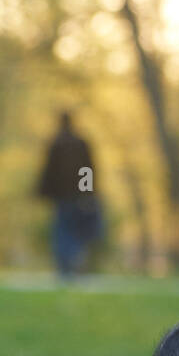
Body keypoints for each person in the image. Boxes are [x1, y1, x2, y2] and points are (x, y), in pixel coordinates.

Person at [36, 111, 103, 277]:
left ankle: (66, 265)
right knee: (74, 230)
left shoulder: (57, 144)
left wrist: (43, 193)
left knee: (63, 229)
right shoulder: (80, 143)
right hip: (77, 195)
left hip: (63, 196)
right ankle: (73, 262)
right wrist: (87, 192)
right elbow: (87, 169)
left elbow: (48, 172)